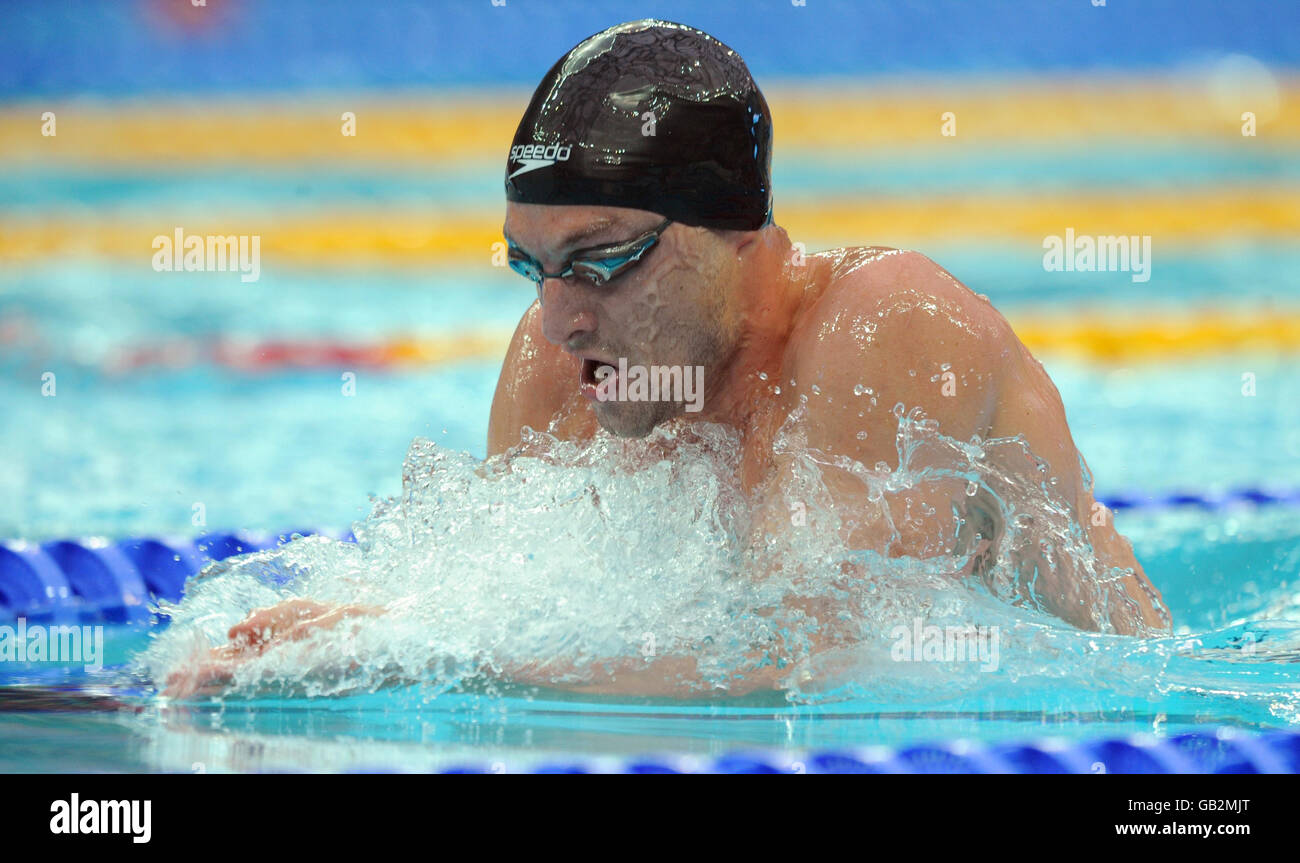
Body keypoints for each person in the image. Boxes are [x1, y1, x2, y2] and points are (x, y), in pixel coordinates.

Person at [165, 20, 1169, 699]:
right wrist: (375, 622)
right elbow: (540, 611)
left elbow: (827, 653)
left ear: (731, 229)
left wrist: (428, 652)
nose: (559, 321)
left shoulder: (885, 322)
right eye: (534, 266)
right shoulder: (565, 365)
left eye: (602, 261)